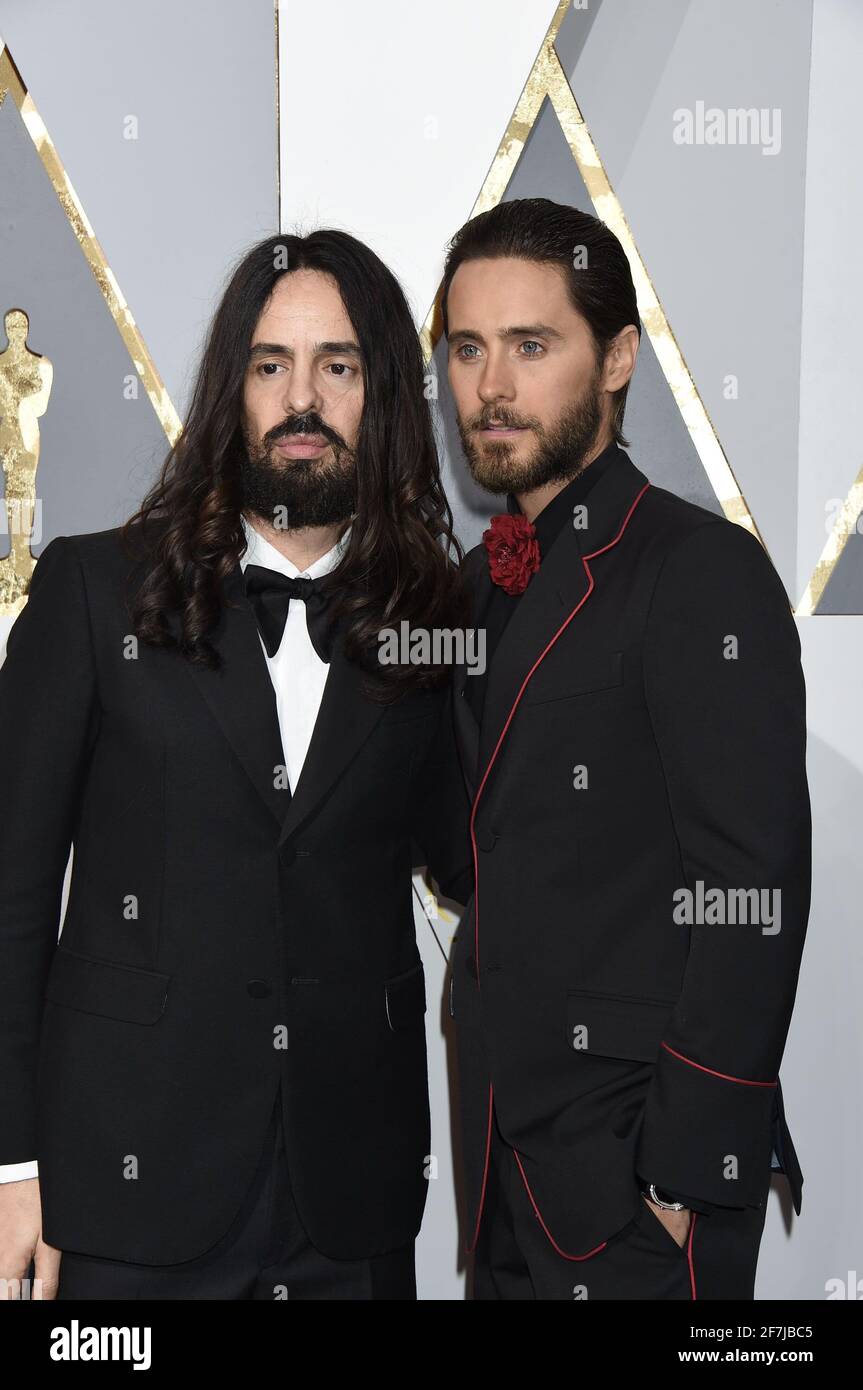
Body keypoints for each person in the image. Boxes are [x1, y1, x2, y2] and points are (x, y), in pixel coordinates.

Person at [0, 229, 471, 1300]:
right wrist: (13, 1165)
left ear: (383, 393)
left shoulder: (433, 622)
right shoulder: (90, 593)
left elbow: (478, 855)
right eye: (271, 366)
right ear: (232, 387)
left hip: (348, 1201)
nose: (300, 399)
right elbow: (11, 896)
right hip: (119, 1197)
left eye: (336, 367)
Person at [441, 197, 810, 1300]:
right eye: (465, 349)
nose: (491, 387)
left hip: (638, 1188)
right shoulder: (470, 589)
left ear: (615, 360)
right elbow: (481, 850)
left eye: (529, 345)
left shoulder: (698, 570)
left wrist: (679, 1173)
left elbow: (752, 884)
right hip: (502, 1164)